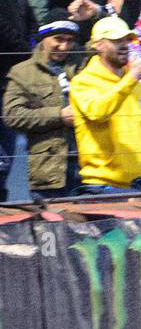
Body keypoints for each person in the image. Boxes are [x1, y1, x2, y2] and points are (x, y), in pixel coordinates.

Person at [68, 17, 141, 192]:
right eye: (117, 40)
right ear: (98, 45)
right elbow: (98, 113)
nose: (125, 45)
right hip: (102, 186)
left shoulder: (135, 84)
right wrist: (131, 79)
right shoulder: (83, 82)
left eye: (127, 40)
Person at [3, 13, 82, 199]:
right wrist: (59, 115)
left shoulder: (83, 63)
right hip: (49, 170)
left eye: (69, 41)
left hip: (89, 167)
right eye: (58, 39)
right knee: (54, 226)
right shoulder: (23, 72)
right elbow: (12, 114)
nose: (64, 47)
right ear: (43, 38)